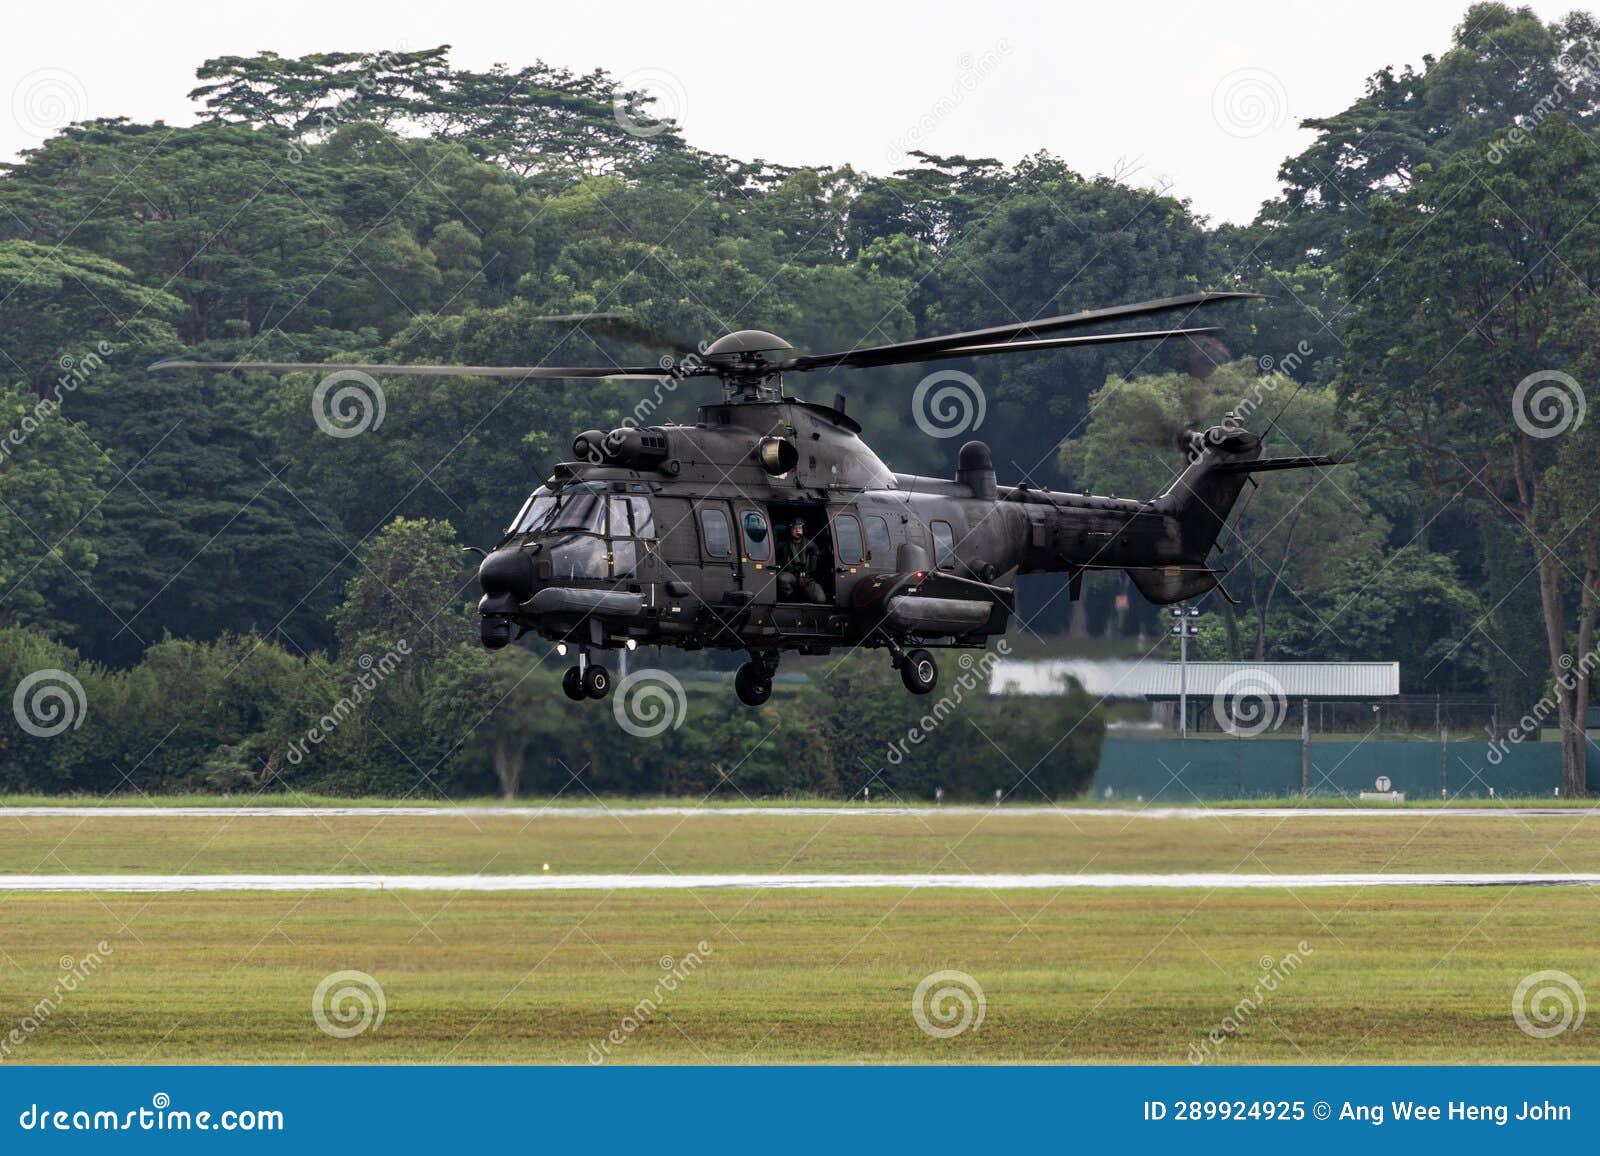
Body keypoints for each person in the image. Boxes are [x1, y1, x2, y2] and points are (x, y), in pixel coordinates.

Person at [775, 517, 827, 603]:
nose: (797, 530)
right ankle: (793, 600)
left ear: (803, 530)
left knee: (820, 599)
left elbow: (820, 559)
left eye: (799, 528)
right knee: (782, 578)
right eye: (794, 528)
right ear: (790, 530)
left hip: (806, 577)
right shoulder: (783, 545)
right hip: (791, 575)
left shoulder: (811, 545)